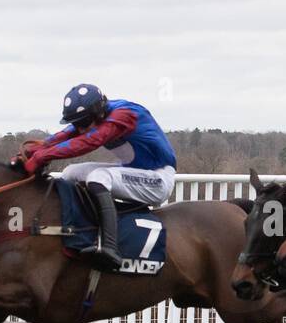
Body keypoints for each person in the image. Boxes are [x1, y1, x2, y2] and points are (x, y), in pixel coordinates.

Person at [16, 84, 177, 270]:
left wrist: (42, 157)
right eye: (77, 124)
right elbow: (64, 135)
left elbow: (90, 141)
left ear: (98, 113)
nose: (80, 129)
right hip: (135, 172)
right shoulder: (96, 115)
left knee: (99, 177)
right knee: (70, 173)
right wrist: (30, 151)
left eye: (83, 123)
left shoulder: (125, 114)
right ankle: (74, 232)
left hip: (157, 179)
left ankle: (110, 247)